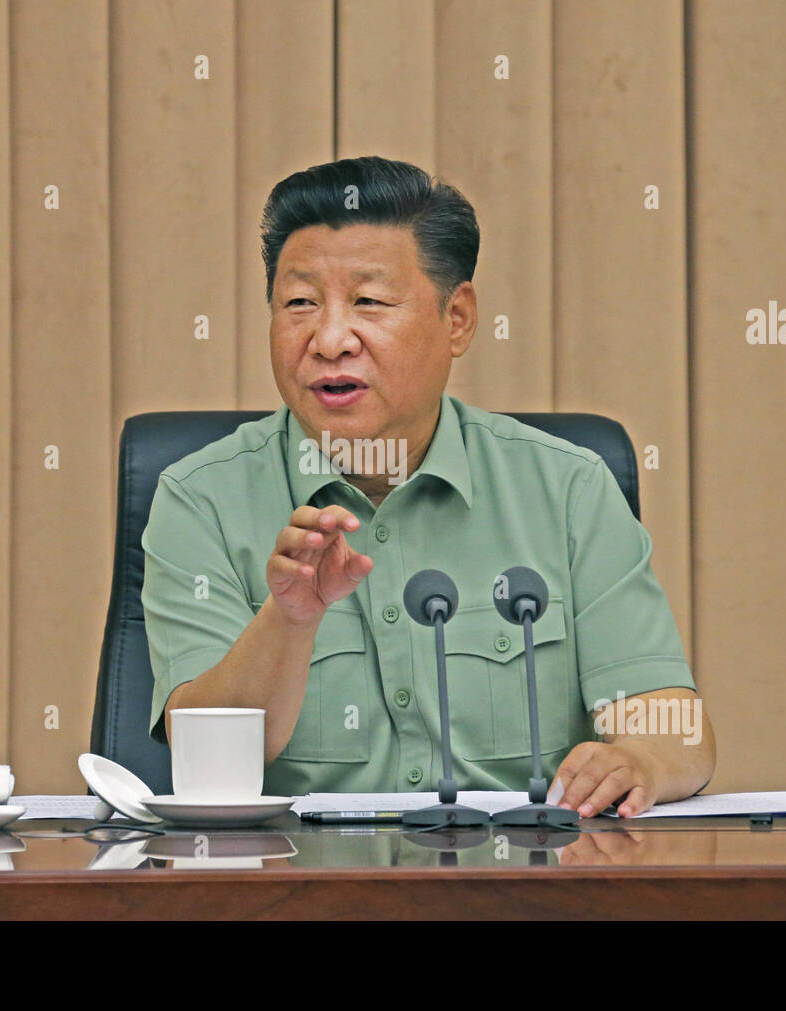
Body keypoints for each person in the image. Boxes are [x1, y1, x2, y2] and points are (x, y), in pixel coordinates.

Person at [142, 156, 715, 816]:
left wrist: (640, 758)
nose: (329, 339)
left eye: (369, 302)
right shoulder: (200, 498)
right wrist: (289, 618)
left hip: (524, 890)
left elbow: (677, 729)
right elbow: (204, 760)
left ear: (458, 318)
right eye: (299, 302)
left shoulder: (568, 490)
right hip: (293, 894)